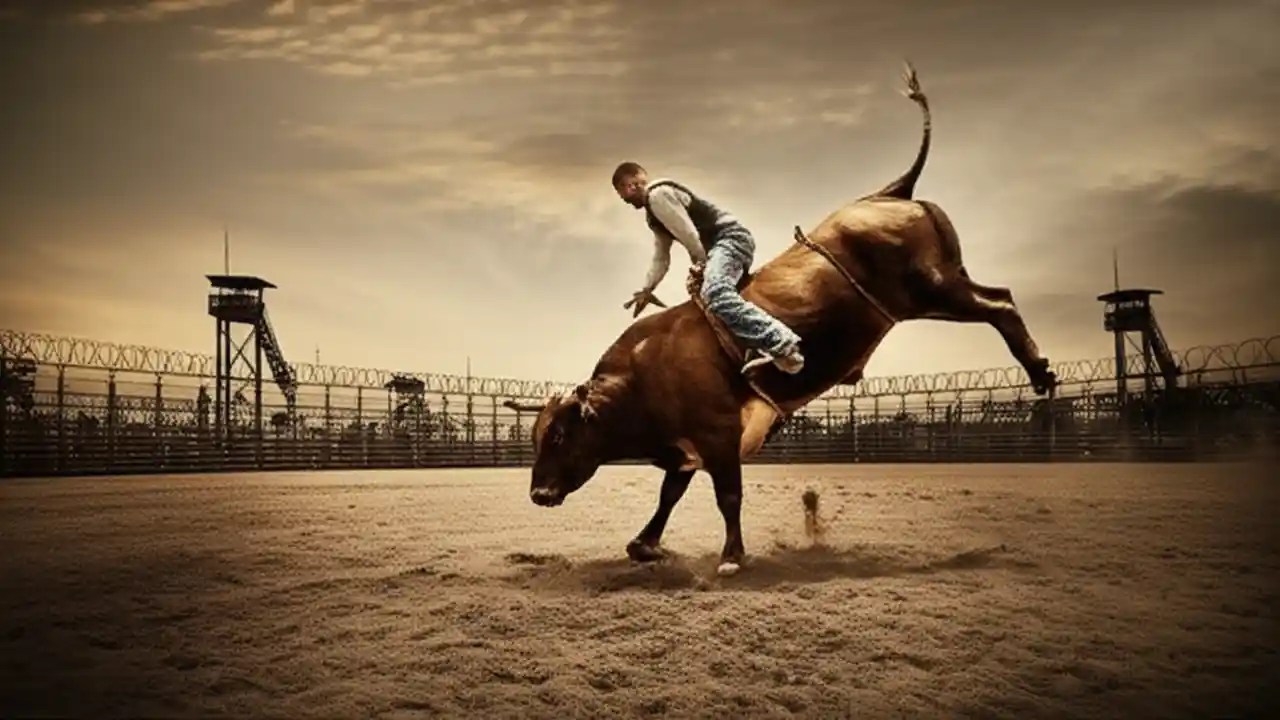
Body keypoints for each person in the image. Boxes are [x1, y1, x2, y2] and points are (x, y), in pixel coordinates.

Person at [611, 161, 804, 374]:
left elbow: (690, 235)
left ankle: (781, 344)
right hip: (716, 250)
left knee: (715, 292)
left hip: (730, 239)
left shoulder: (658, 196)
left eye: (622, 191)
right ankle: (751, 345)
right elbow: (661, 257)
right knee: (706, 304)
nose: (624, 199)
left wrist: (701, 265)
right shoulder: (653, 216)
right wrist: (647, 289)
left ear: (631, 185)